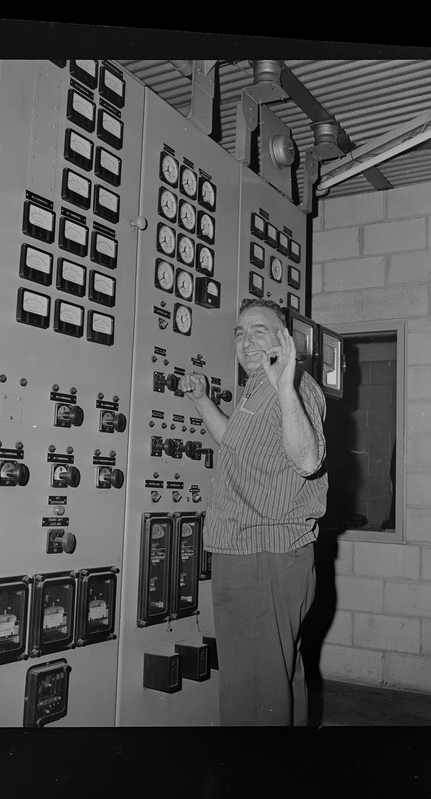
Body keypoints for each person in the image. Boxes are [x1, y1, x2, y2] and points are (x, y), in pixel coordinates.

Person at [179, 298, 328, 725]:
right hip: (257, 551)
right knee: (275, 678)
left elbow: (307, 460)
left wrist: (285, 387)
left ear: (284, 338)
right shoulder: (259, 389)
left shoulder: (293, 386)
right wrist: (202, 400)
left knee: (251, 689)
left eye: (258, 331)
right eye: (240, 333)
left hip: (260, 552)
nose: (246, 342)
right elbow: (236, 443)